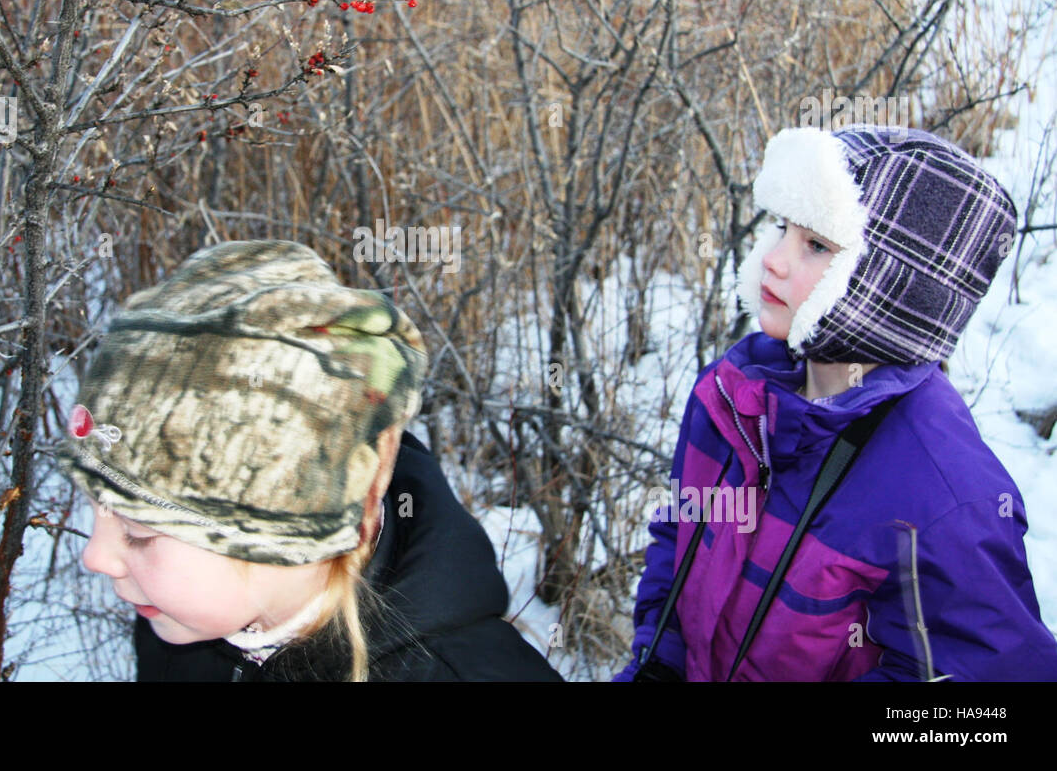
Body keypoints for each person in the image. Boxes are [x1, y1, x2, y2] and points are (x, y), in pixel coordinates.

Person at [616, 125, 1057, 681]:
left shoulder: (944, 497)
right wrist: (658, 664)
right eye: (783, 229)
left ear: (896, 287)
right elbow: (677, 536)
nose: (774, 260)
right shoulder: (734, 398)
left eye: (817, 245)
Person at [61, 239, 562, 681]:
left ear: (290, 533)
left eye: (140, 531)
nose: (94, 556)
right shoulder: (180, 623)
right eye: (97, 505)